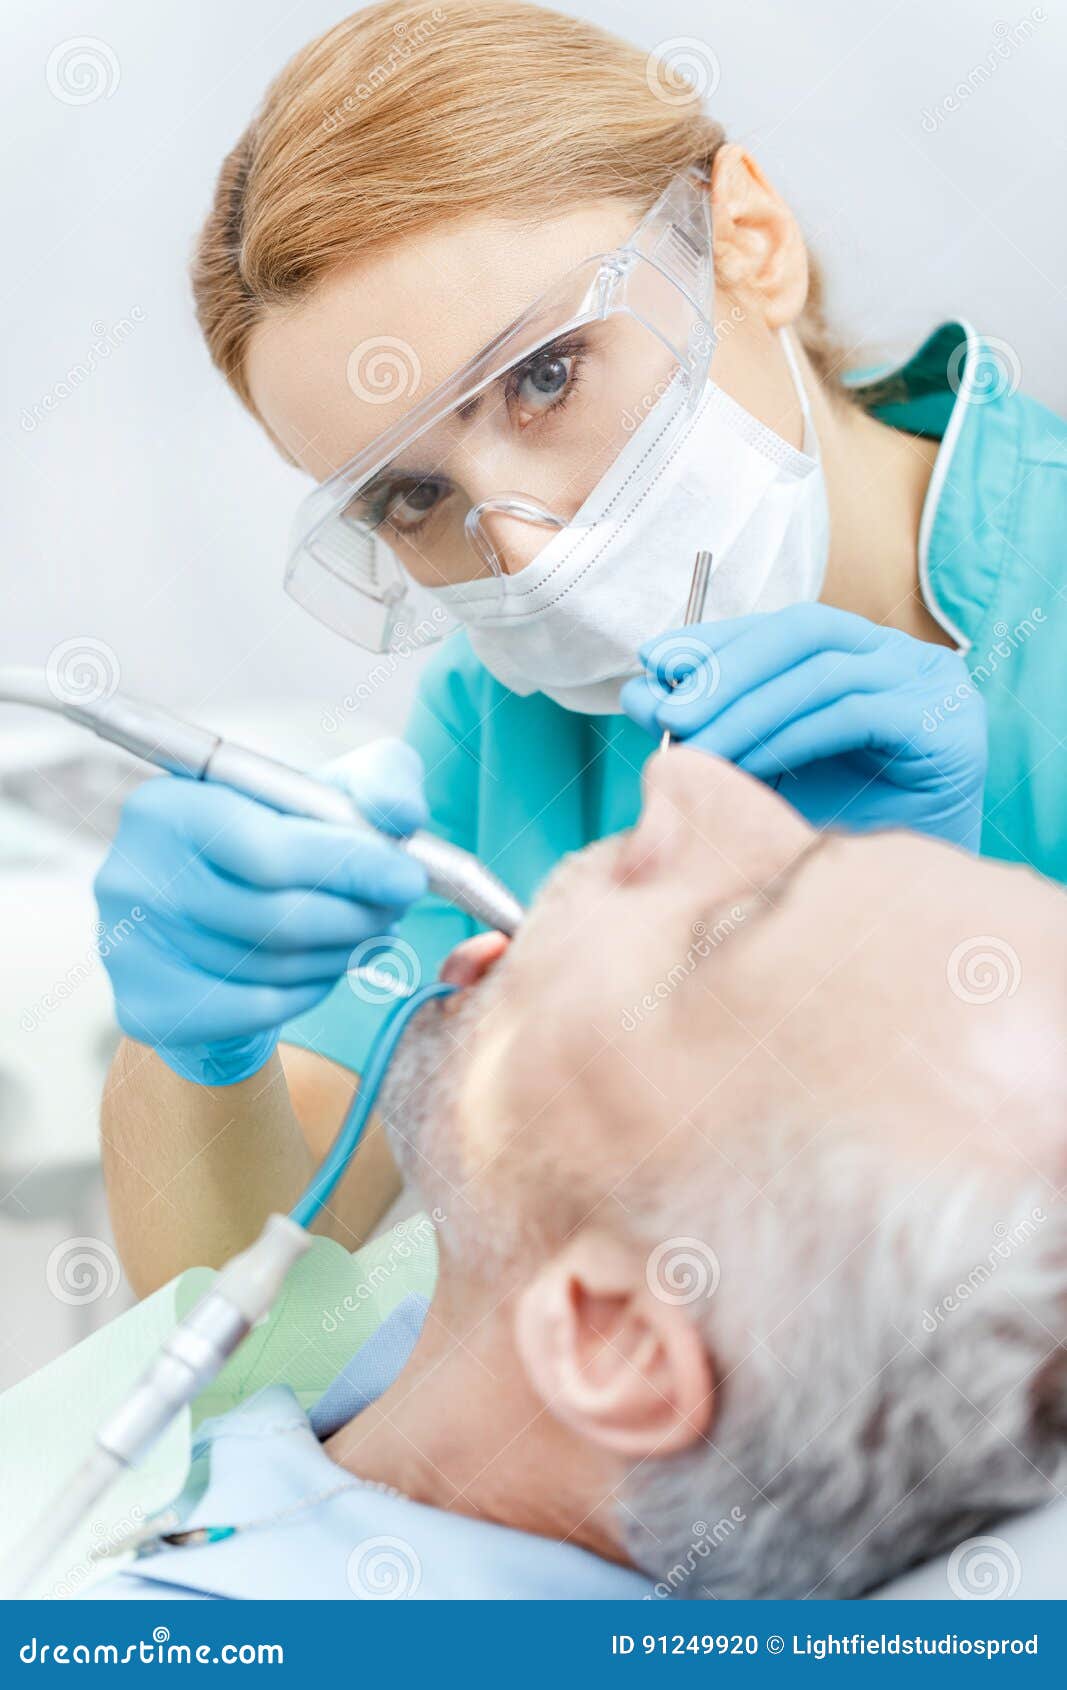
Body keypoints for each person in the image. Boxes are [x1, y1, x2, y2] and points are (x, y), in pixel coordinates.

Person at [95, 0, 1062, 1284]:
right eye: (414, 497)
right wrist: (196, 1052)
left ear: (746, 241)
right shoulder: (505, 732)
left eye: (545, 377)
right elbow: (237, 1315)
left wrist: (943, 956)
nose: (533, 553)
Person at [86, 747, 1067, 1601]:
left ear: (614, 1344)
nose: (678, 776)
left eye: (735, 914)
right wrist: (199, 1052)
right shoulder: (393, 1355)